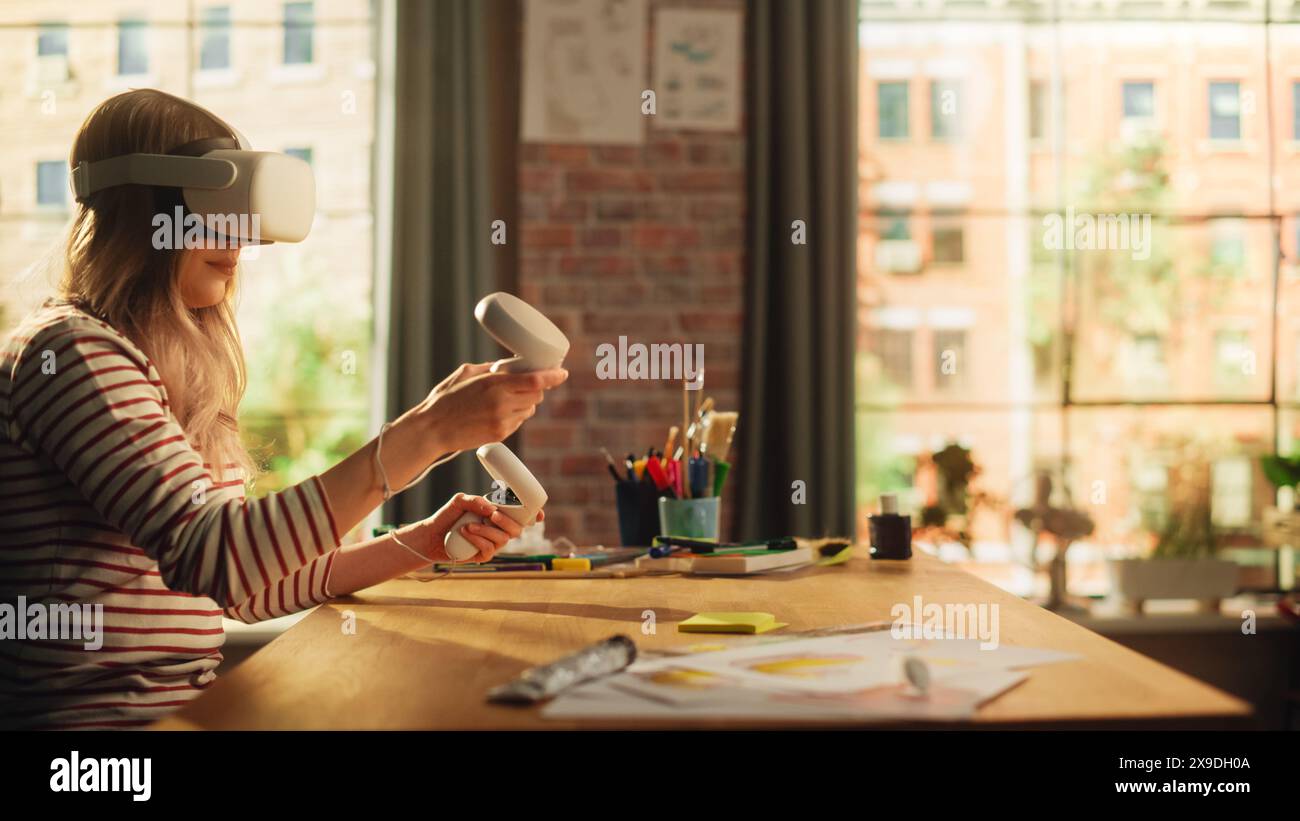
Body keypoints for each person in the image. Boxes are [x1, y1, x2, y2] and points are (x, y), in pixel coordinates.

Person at [0, 89, 568, 729]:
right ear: (143, 211)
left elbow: (249, 584)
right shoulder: (70, 354)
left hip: (180, 714)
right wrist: (431, 429)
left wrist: (421, 543)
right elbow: (217, 559)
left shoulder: (152, 362)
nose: (240, 239)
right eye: (218, 207)